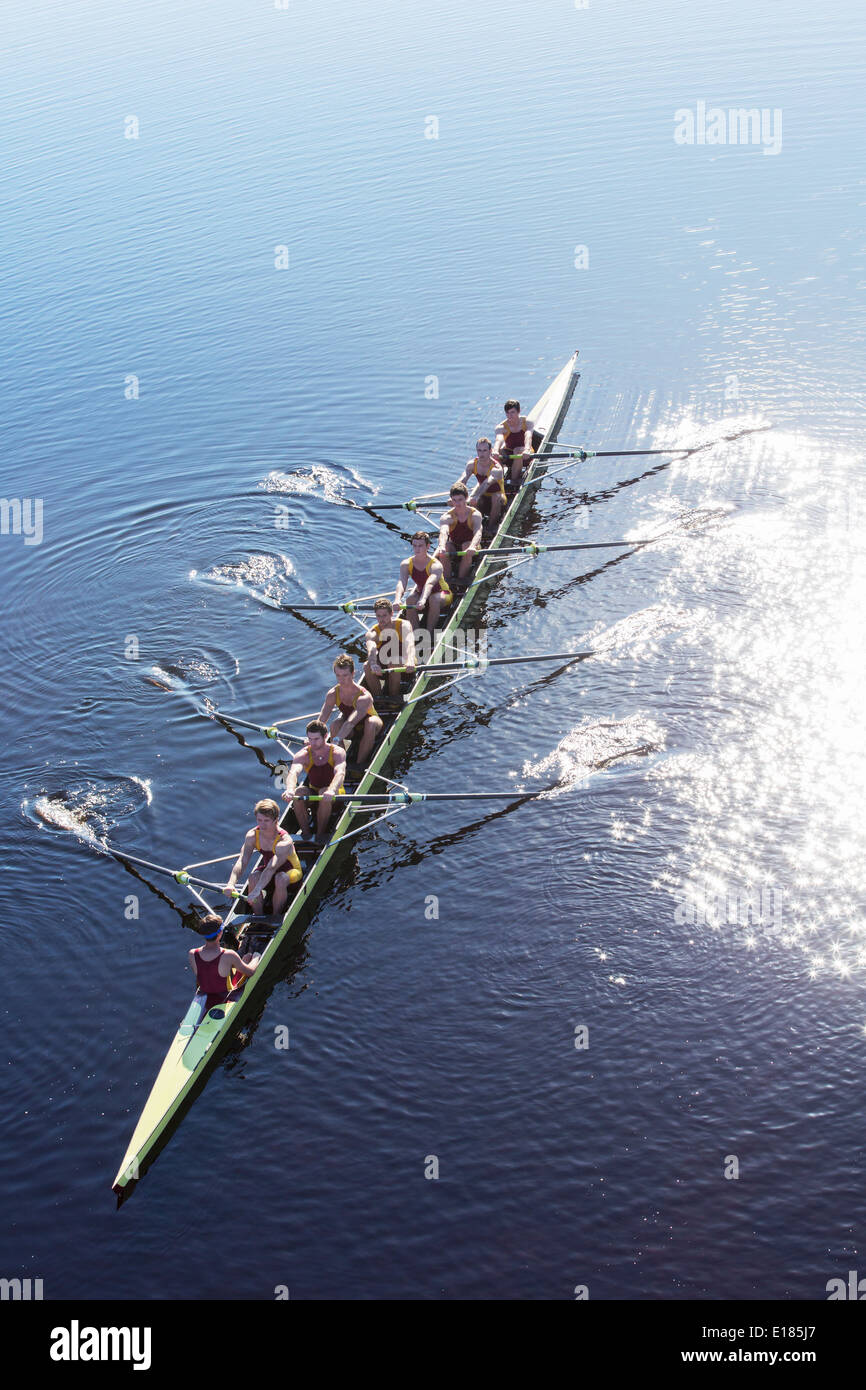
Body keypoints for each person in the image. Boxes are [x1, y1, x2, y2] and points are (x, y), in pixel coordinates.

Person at [224, 799, 302, 916]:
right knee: (253, 877)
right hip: (268, 873)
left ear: (276, 820)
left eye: (266, 820)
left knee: (280, 878)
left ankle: (275, 918)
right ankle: (258, 918)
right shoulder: (252, 836)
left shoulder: (284, 840)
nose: (262, 824)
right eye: (259, 820)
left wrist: (256, 891)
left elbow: (272, 867)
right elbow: (242, 861)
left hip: (290, 873)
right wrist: (231, 883)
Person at [282, 719, 347, 842]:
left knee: (324, 791)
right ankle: (306, 835)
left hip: (335, 795)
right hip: (315, 794)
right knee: (298, 792)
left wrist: (332, 790)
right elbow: (293, 773)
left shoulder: (338, 752)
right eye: (310, 739)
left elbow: (340, 773)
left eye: (316, 739)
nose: (313, 743)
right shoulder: (303, 754)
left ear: (326, 736)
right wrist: (290, 789)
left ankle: (320, 835)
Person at [318, 654, 384, 765]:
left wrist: (336, 740)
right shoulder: (333, 694)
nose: (341, 679)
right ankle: (341, 764)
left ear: (353, 674)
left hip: (372, 727)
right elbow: (321, 720)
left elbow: (350, 722)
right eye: (338, 675)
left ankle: (359, 766)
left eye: (345, 675)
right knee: (334, 725)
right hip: (352, 731)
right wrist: (313, 736)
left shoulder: (364, 696)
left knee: (370, 723)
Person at [189, 914, 260, 1011]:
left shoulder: (192, 953)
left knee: (242, 959)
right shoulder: (229, 955)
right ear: (220, 933)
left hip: (207, 992)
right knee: (248, 957)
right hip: (226, 994)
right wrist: (256, 957)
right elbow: (251, 972)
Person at [395, 530, 452, 633]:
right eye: (415, 546)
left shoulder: (436, 565)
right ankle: (416, 633)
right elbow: (402, 582)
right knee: (410, 600)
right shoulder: (406, 564)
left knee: (433, 599)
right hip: (422, 594)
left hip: (443, 593)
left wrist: (422, 600)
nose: (417, 549)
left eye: (420, 546)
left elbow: (429, 584)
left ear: (428, 546)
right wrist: (397, 599)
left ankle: (429, 633)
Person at [365, 597, 416, 698]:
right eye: (378, 616)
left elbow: (409, 643)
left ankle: (393, 698)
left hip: (406, 666)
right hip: (385, 668)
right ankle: (378, 698)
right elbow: (371, 649)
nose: (381, 619)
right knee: (366, 666)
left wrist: (410, 660)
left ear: (392, 614)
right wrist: (373, 664)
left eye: (384, 615)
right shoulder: (373, 633)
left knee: (393, 661)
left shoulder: (403, 625)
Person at [437, 483, 483, 583]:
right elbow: (443, 533)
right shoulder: (447, 517)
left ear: (466, 498)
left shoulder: (475, 515)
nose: (457, 503)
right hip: (455, 546)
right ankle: (447, 581)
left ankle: (461, 580)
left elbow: (478, 533)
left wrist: (473, 546)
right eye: (454, 500)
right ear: (451, 500)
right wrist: (441, 546)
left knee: (466, 545)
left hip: (471, 548)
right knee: (445, 548)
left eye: (460, 499)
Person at [455, 437, 506, 527]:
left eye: (484, 450)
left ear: (490, 451)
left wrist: (477, 496)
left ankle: (491, 527)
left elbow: (487, 483)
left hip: (498, 497)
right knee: (470, 499)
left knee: (496, 497)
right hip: (483, 495)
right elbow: (463, 479)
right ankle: (477, 525)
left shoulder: (496, 468)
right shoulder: (472, 464)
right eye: (479, 450)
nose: (481, 454)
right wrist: (454, 495)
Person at [494, 399, 535, 487]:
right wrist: (495, 450)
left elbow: (528, 436)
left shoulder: (527, 422)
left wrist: (527, 449)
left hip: (526, 455)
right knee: (493, 453)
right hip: (510, 455)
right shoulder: (501, 427)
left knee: (517, 450)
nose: (510, 416)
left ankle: (514, 482)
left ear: (519, 411)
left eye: (512, 412)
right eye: (507, 413)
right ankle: (499, 482)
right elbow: (499, 440)